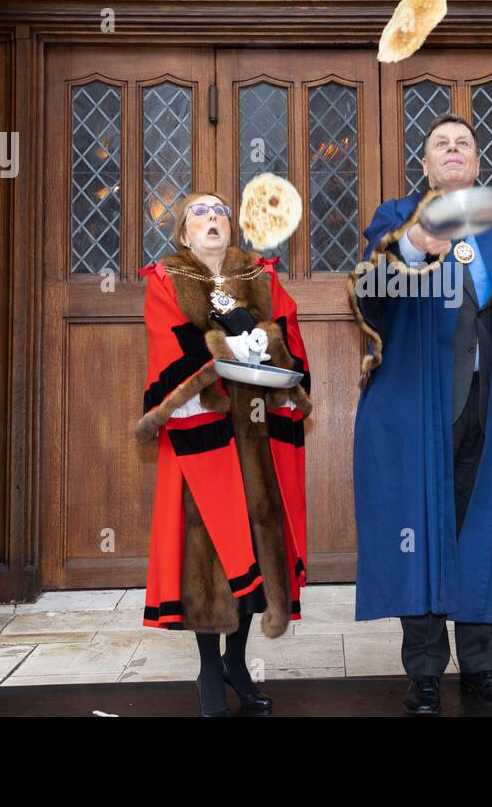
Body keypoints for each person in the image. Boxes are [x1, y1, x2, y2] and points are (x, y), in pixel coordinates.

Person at [348, 112, 492, 715]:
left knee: (477, 530)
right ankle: (422, 673)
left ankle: (479, 667)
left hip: (488, 407)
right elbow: (371, 290)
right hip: (417, 407)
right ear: (425, 163)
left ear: (476, 162)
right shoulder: (398, 219)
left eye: (463, 144)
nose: (452, 151)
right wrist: (417, 245)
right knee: (421, 531)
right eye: (440, 144)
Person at [134, 191, 312, 717]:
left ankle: (237, 661)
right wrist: (227, 342)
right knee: (207, 551)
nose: (212, 219)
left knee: (258, 543)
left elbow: (289, 337)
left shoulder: (261, 274)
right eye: (199, 214)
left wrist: (265, 337)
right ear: (183, 234)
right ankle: (210, 669)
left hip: (256, 431)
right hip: (204, 434)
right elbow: (171, 348)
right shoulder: (166, 281)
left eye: (220, 213)